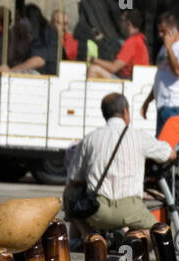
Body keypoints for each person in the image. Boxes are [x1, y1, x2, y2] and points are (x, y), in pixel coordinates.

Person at [63, 90, 172, 235]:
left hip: (98, 212)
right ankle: (136, 242)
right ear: (126, 112)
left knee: (70, 194)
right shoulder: (139, 137)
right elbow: (170, 154)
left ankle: (88, 236)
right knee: (156, 233)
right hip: (132, 210)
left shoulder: (89, 139)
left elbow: (75, 180)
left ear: (105, 114)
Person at [141, 13, 179, 193]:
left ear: (173, 30)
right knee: (168, 146)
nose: (160, 35)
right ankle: (173, 182)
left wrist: (170, 48)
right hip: (163, 103)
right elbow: (161, 78)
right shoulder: (166, 49)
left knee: (171, 146)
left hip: (176, 103)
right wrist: (148, 101)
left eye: (163, 31)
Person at [87, 8, 148, 78]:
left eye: (122, 20)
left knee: (94, 70)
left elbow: (114, 67)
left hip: (128, 82)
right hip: (131, 79)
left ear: (129, 24)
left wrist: (92, 59)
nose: (120, 24)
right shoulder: (140, 39)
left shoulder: (133, 42)